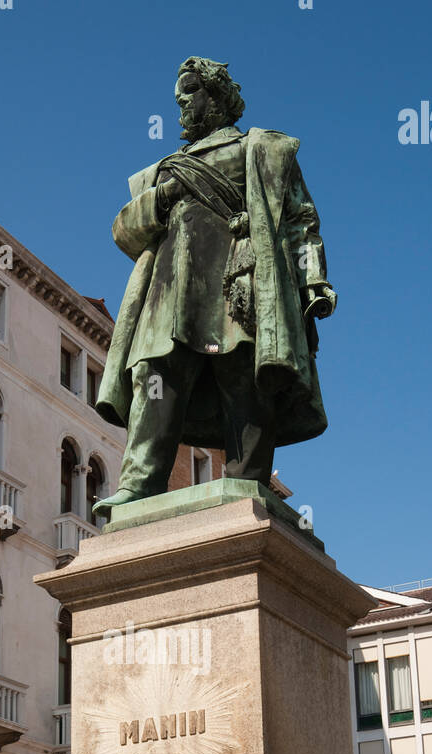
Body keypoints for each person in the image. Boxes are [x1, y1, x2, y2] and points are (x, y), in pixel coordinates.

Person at [94, 56, 336, 515]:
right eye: (178, 95)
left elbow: (300, 221)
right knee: (155, 377)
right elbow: (124, 232)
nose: (181, 103)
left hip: (238, 284)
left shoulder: (260, 150)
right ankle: (139, 486)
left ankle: (248, 480)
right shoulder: (163, 171)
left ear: (217, 96)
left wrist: (313, 279)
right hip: (169, 293)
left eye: (189, 91)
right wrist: (160, 197)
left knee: (246, 378)